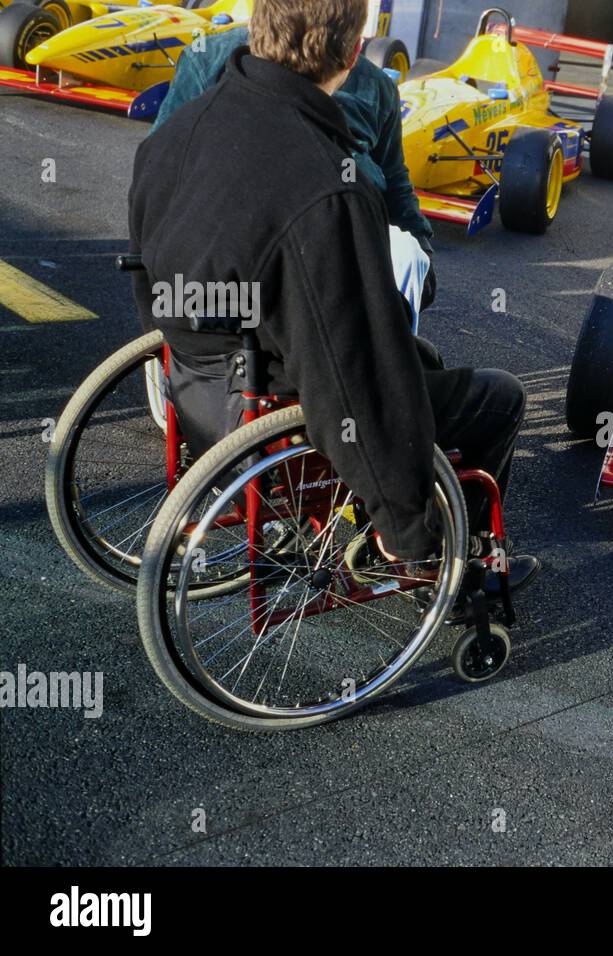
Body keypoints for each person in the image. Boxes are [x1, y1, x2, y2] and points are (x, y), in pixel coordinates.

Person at [128, 0, 537, 585]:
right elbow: (350, 378)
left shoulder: (178, 133)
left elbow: (148, 266)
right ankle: (443, 564)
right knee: (499, 398)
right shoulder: (327, 190)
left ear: (259, 26)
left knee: (425, 362)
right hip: (271, 406)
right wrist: (405, 527)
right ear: (351, 54)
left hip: (197, 387)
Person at [153, 18, 436, 332]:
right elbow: (163, 165)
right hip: (246, 253)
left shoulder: (376, 88)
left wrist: (419, 244)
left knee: (405, 257)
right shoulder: (209, 60)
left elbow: (395, 179)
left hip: (342, 242)